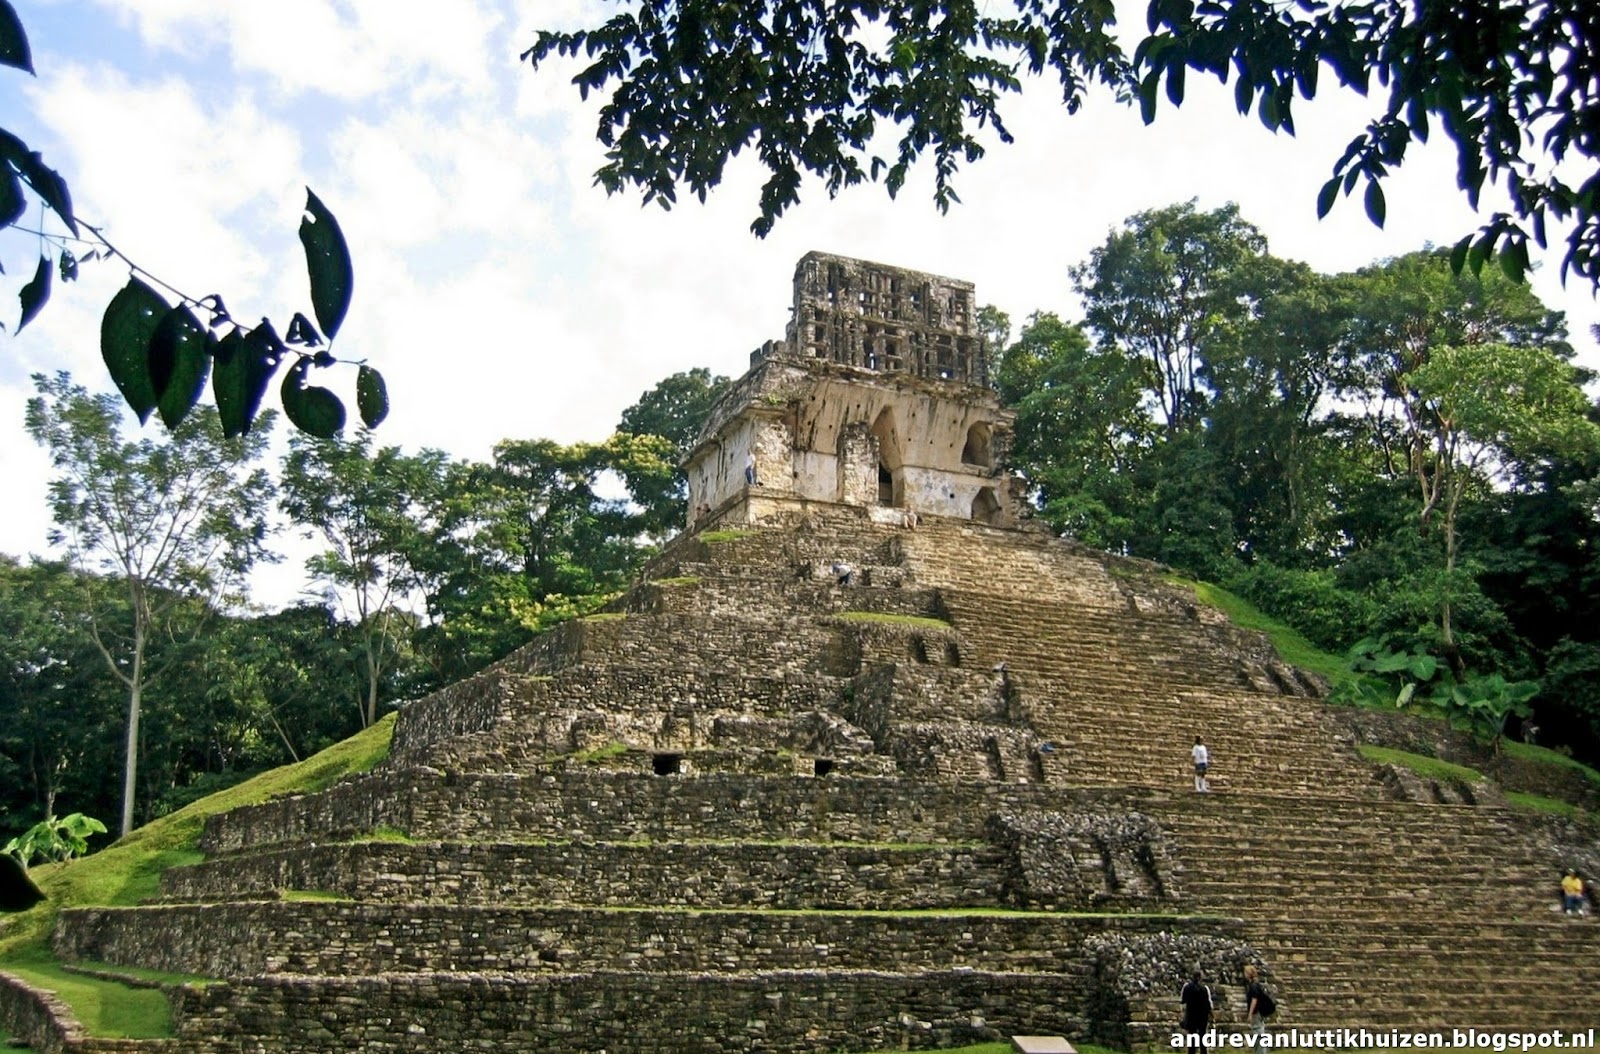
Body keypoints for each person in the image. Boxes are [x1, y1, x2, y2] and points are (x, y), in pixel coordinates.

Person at [1180, 970, 1212, 1054]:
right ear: (1200, 977)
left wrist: (1183, 1015)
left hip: (1191, 1015)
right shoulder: (1205, 988)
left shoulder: (1186, 987)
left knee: (1191, 1036)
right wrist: (1211, 1014)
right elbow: (1209, 1003)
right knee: (1202, 1036)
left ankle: (1191, 1052)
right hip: (1202, 1016)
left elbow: (1183, 1001)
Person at [1243, 964, 1269, 1054]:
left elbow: (1254, 1000)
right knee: (1258, 1031)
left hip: (1256, 1012)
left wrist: (1250, 1014)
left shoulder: (1253, 985)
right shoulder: (1254, 984)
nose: (1244, 974)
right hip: (1258, 1012)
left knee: (1258, 1032)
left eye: (1246, 972)